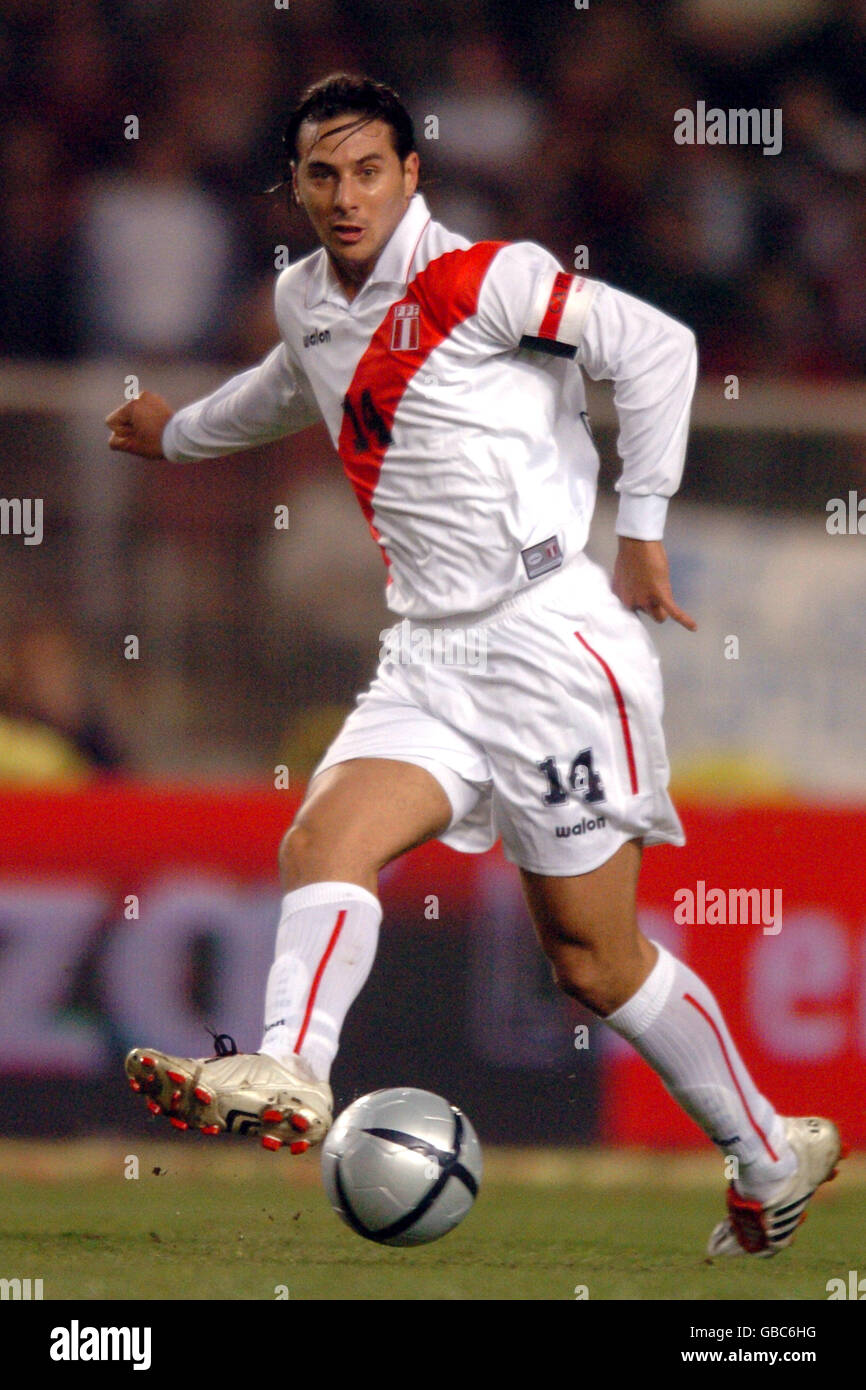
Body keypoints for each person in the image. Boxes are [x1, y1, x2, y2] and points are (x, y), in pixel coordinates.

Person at [107, 73, 842, 1257]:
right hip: (428, 652)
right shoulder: (306, 297)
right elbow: (290, 390)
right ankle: (295, 1069)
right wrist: (176, 434)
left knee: (589, 961)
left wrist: (642, 529)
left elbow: (657, 346)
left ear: (410, 176)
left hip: (548, 637)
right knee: (321, 837)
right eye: (319, 175)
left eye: (365, 171)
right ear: (294, 187)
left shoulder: (482, 277)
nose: (344, 196)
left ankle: (766, 1151)